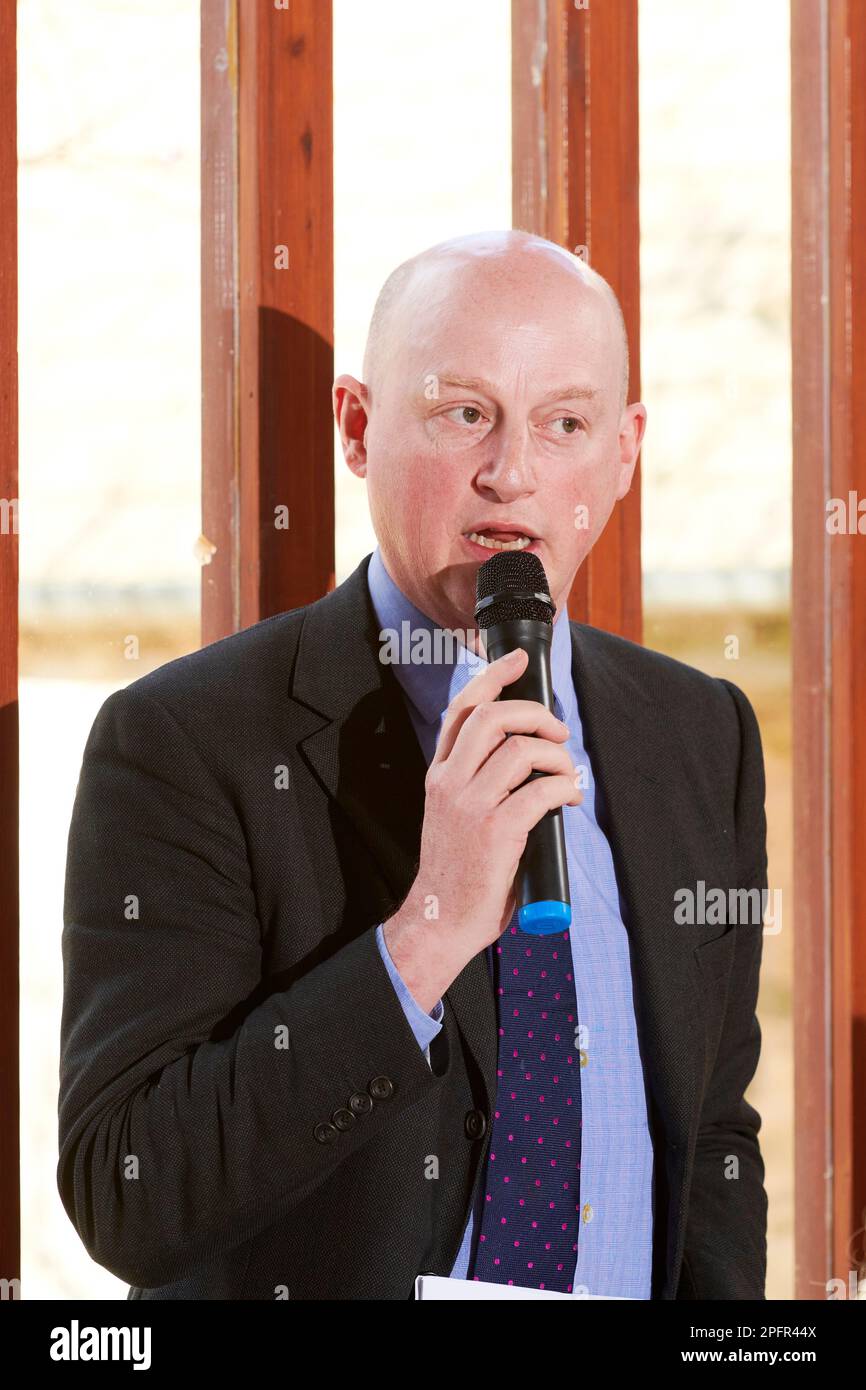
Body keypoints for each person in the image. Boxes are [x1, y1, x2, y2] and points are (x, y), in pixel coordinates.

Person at [58, 230, 768, 1300]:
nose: (510, 471)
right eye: (463, 413)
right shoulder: (186, 741)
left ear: (622, 454)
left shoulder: (699, 733)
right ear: (356, 425)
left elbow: (712, 1130)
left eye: (562, 424)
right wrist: (426, 929)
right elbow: (131, 1192)